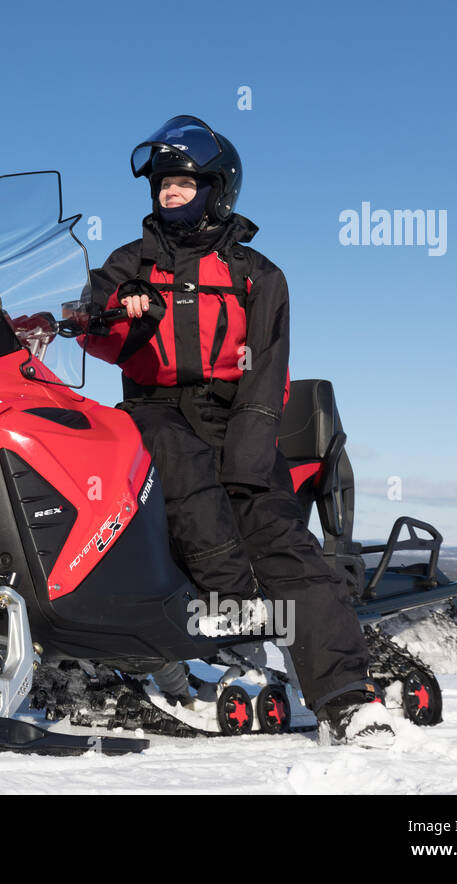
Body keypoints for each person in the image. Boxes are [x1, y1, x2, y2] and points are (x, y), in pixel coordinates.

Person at [80, 114, 394, 746]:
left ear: (216, 189)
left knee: (280, 537)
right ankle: (228, 603)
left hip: (238, 414)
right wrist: (122, 312)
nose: (170, 193)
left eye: (184, 183)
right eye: (163, 184)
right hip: (151, 410)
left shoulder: (258, 274)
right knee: (173, 468)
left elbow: (269, 366)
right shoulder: (126, 262)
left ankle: (348, 699)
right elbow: (95, 333)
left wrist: (251, 455)